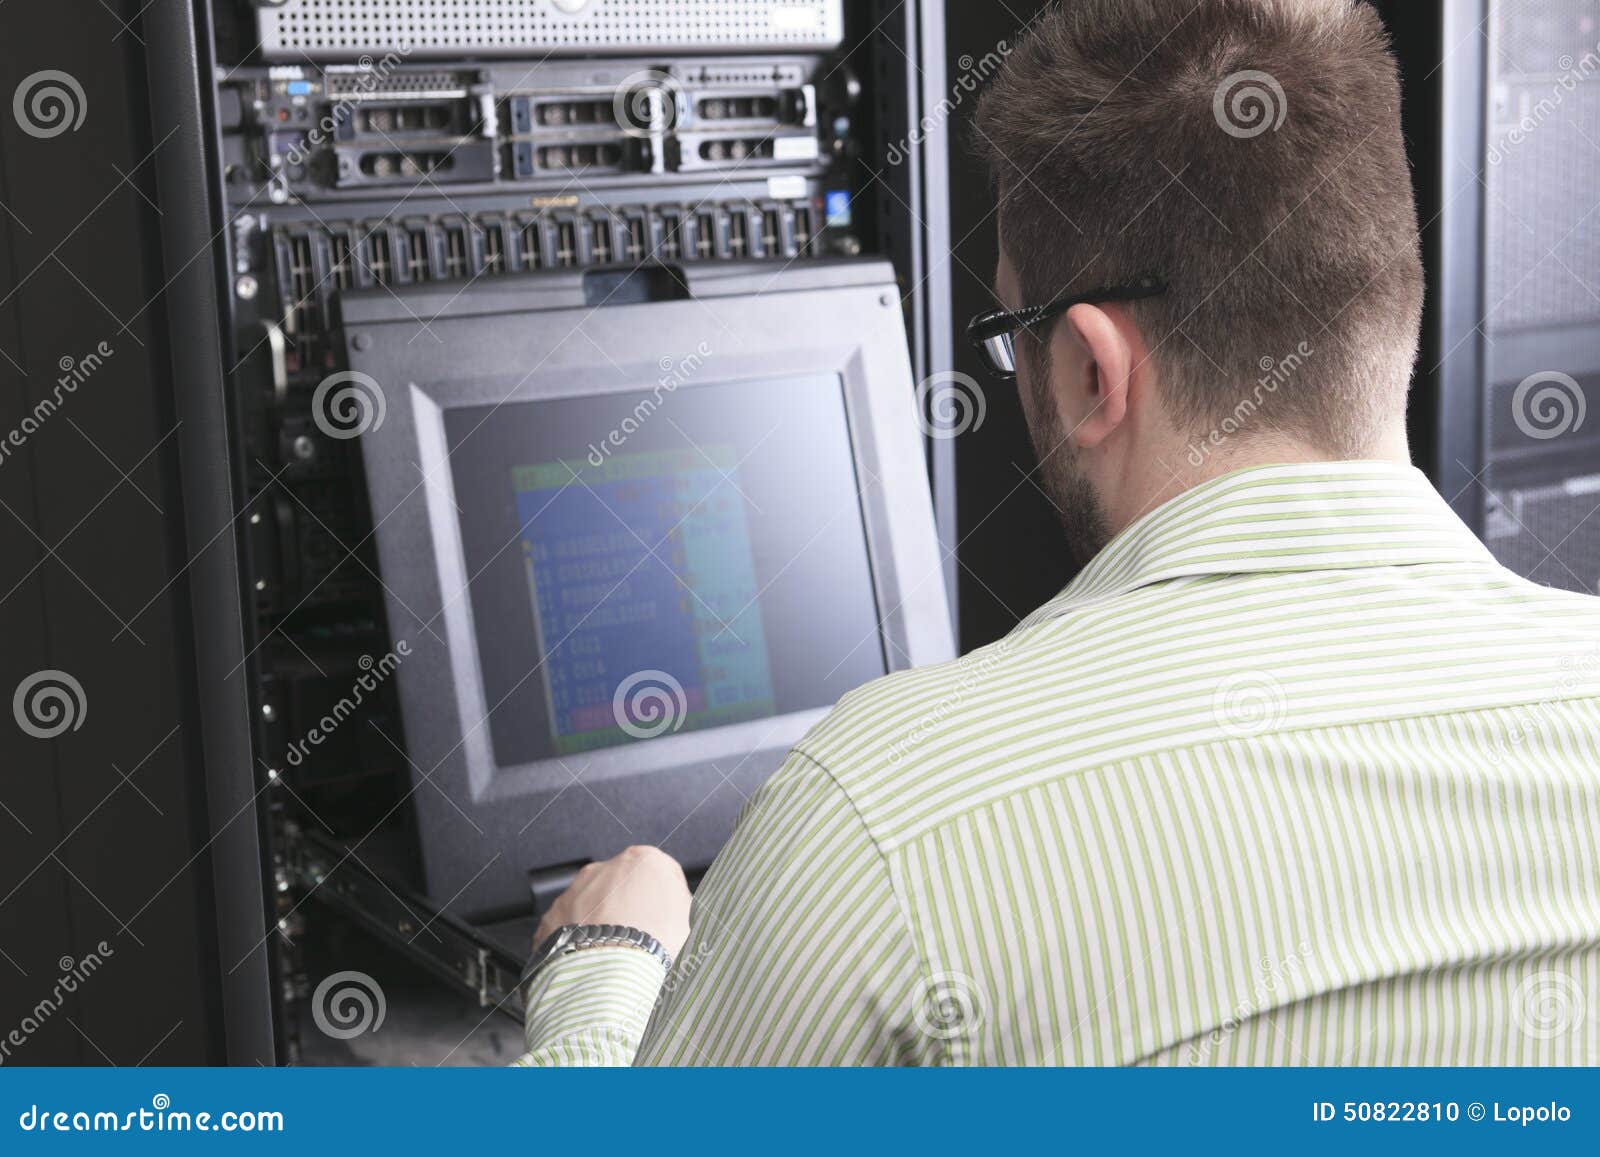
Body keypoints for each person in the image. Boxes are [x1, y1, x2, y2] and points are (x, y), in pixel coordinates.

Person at [513, 0, 1600, 1066]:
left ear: (1090, 366)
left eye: (1009, 334)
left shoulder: (885, 813)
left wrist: (602, 960)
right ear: (1386, 308)